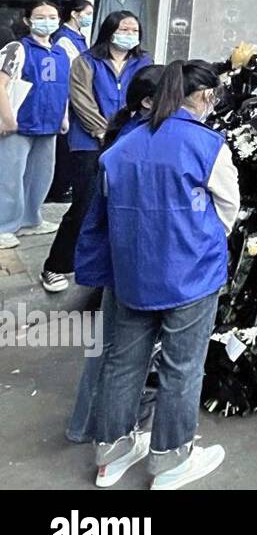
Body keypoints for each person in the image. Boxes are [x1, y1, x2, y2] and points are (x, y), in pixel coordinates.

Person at [87, 59, 237, 489]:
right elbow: (228, 207)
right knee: (182, 367)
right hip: (190, 272)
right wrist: (200, 239)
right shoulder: (206, 143)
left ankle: (111, 453)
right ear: (204, 97)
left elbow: (106, 206)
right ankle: (170, 462)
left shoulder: (123, 145)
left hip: (132, 270)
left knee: (122, 362)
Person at [65, 64, 164, 447]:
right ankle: (99, 429)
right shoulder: (135, 141)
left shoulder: (131, 133)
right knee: (115, 351)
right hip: (124, 258)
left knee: (109, 347)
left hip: (119, 257)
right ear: (148, 102)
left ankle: (87, 424)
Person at [43, 12, 153, 292]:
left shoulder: (143, 62)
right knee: (85, 204)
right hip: (89, 143)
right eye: (123, 28)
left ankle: (101, 268)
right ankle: (56, 265)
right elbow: (81, 100)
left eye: (133, 29)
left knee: (119, 206)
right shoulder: (87, 61)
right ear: (109, 30)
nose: (129, 33)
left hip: (128, 141)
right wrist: (104, 131)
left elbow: (146, 98)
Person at [0, 1, 71, 259]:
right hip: (19, 124)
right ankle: (4, 225)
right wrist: (7, 119)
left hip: (49, 123)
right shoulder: (17, 48)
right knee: (9, 177)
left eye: (52, 16)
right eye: (40, 17)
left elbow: (63, 88)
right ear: (28, 21)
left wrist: (63, 118)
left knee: (40, 175)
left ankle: (31, 219)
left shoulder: (60, 53)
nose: (47, 21)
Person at [47, 0, 94, 203]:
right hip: (68, 97)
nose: (89, 17)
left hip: (77, 96)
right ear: (75, 14)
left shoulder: (78, 37)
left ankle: (63, 185)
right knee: (64, 147)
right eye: (87, 13)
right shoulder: (64, 38)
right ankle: (59, 187)